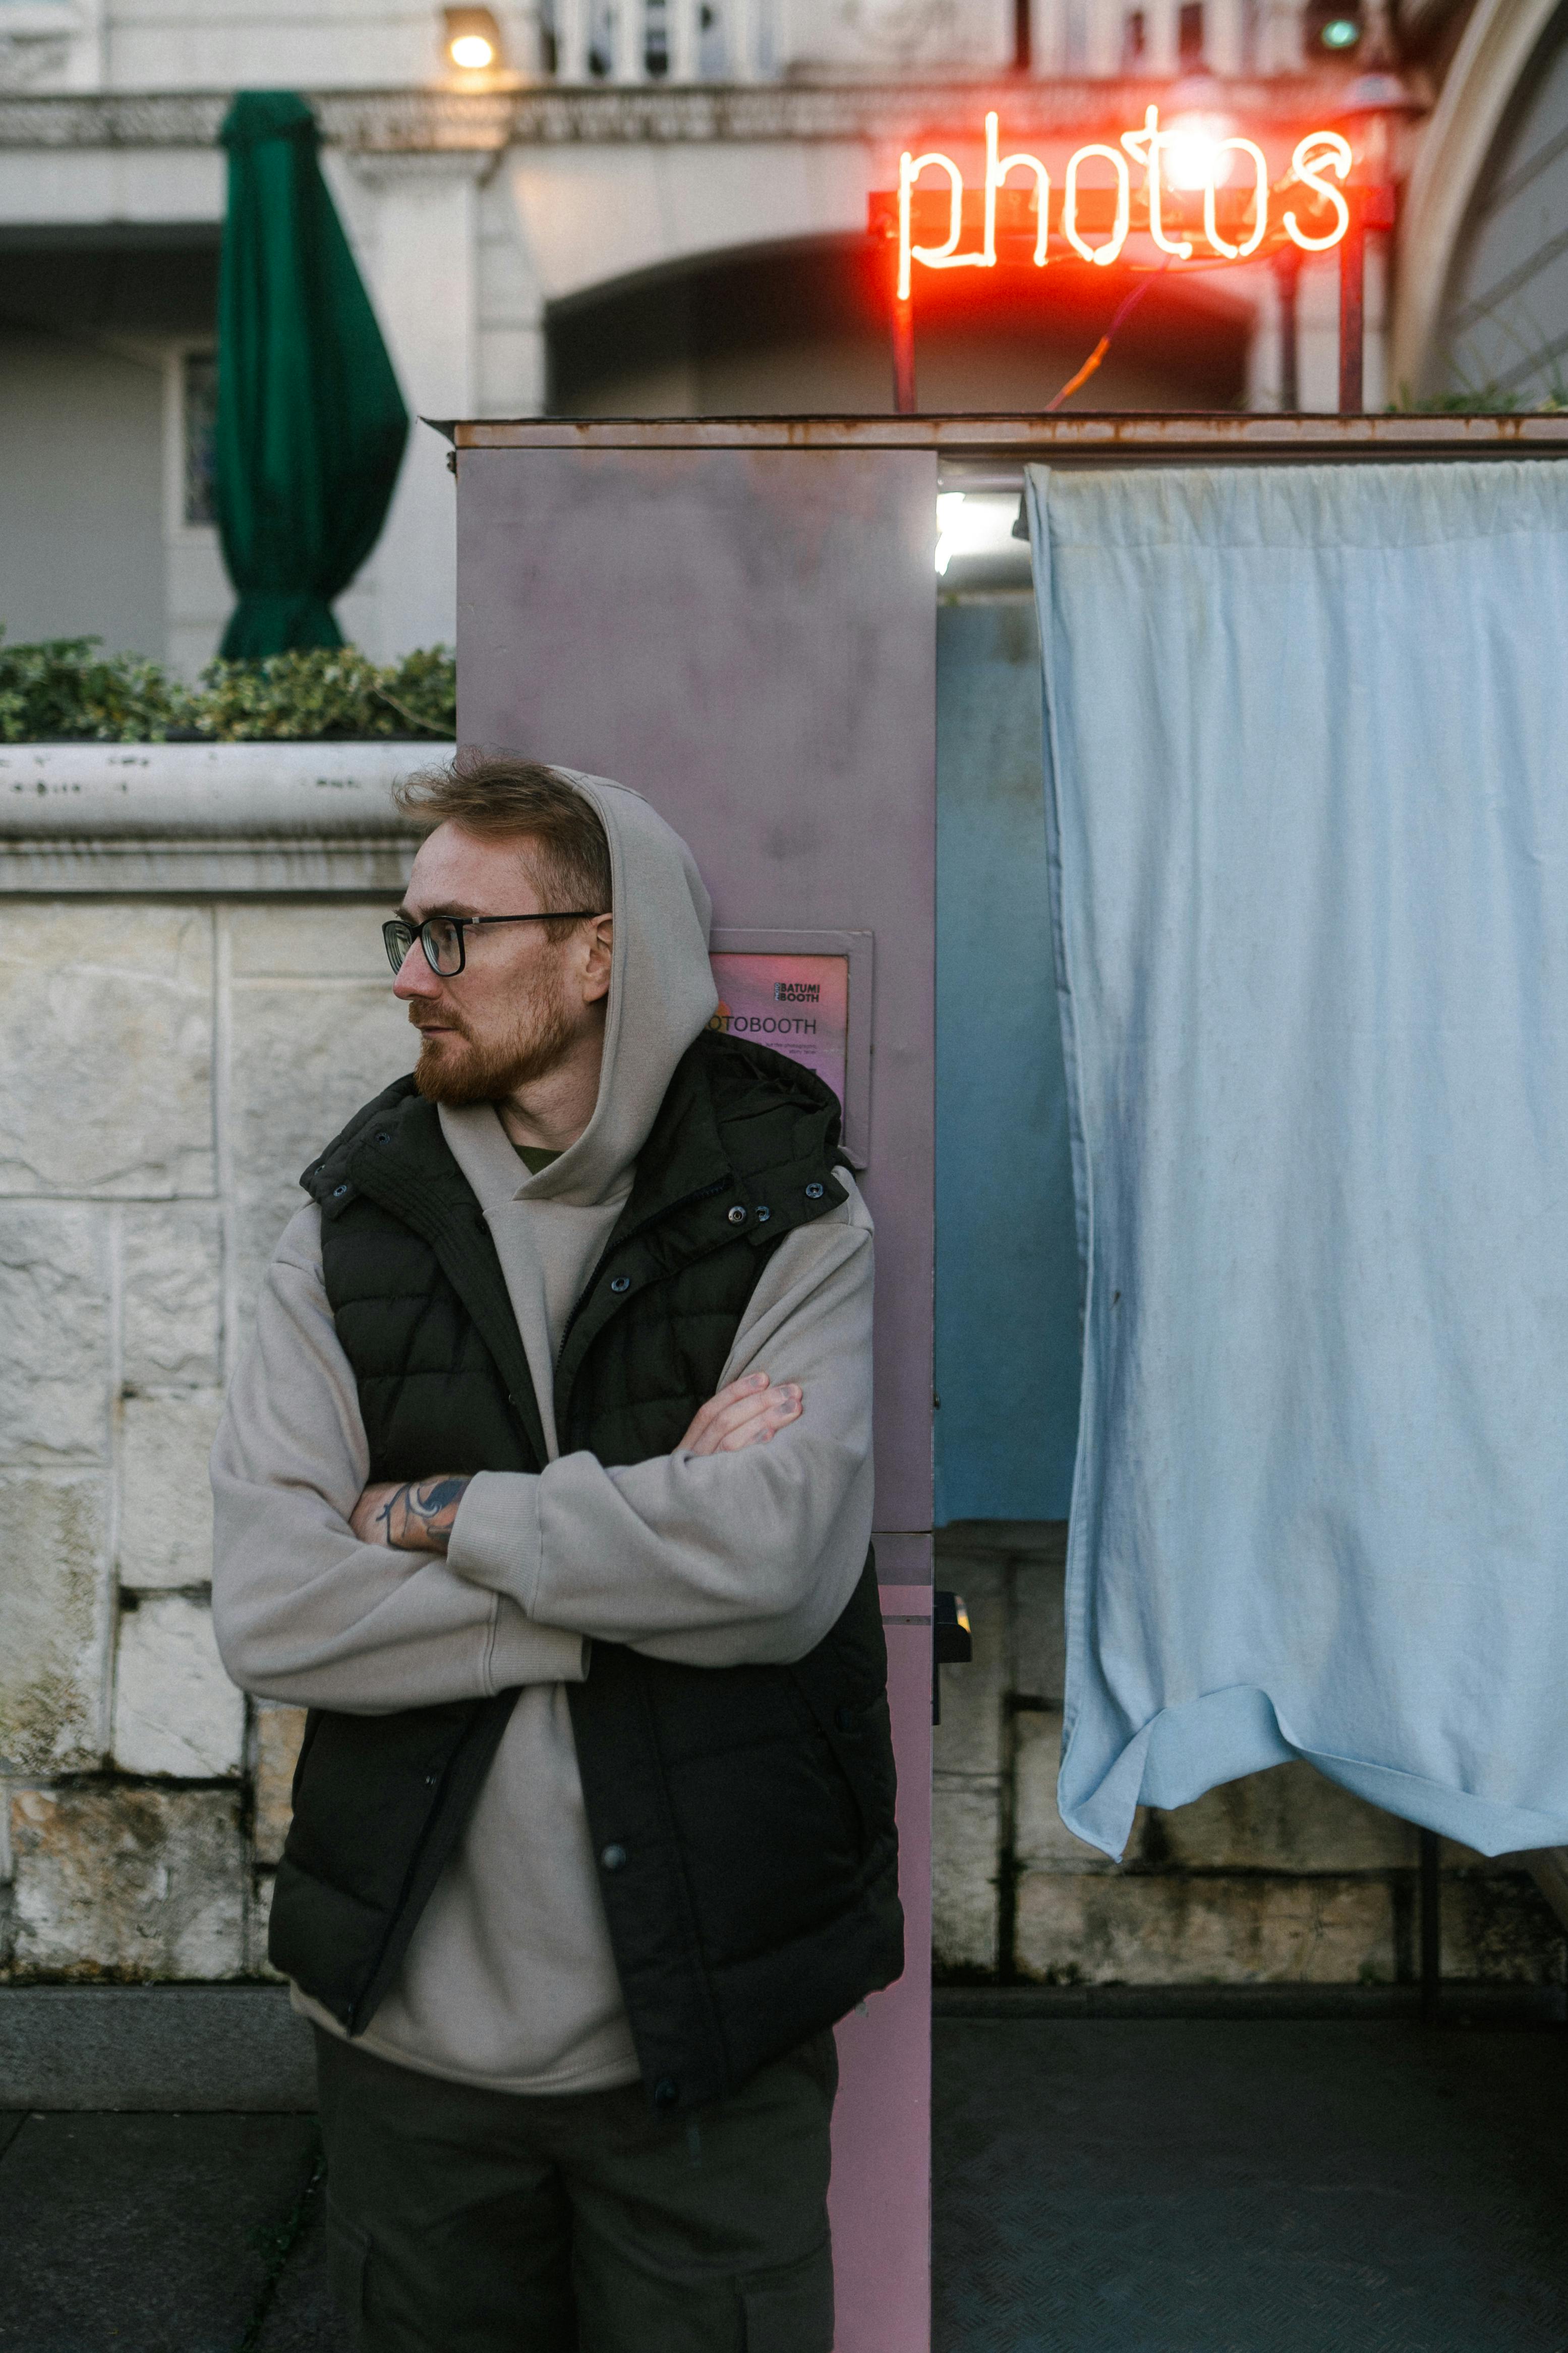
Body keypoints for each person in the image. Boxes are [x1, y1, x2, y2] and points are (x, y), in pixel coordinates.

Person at [210, 754, 901, 2352]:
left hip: (716, 2026)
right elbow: (274, 1605)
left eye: (453, 934)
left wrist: (443, 1516)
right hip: (408, 2053)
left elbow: (782, 1568)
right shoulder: (347, 1228)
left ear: (602, 953)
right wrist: (634, 1569)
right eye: (406, 930)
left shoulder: (786, 1210)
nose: (408, 974)